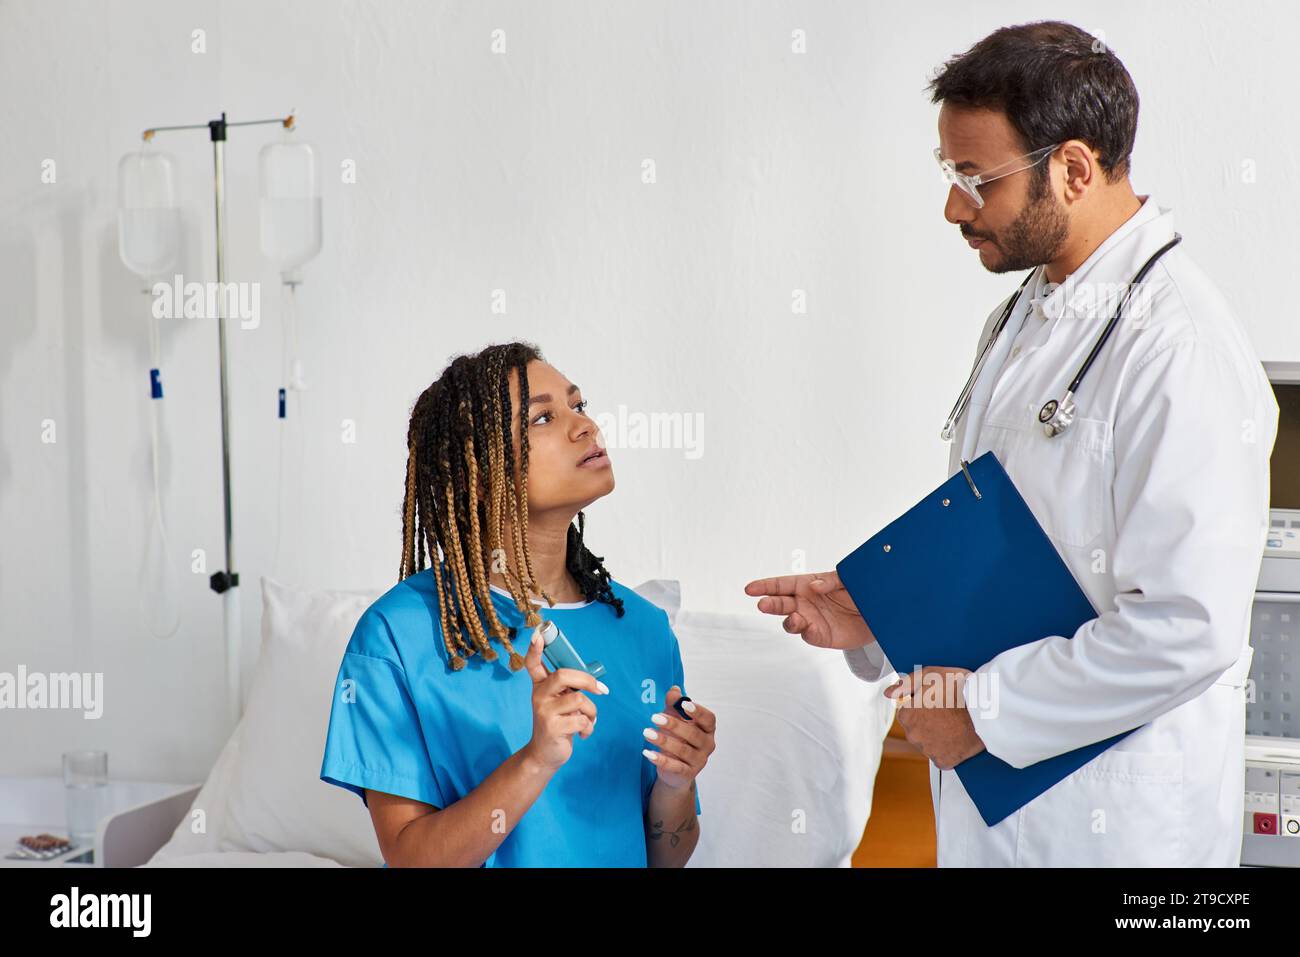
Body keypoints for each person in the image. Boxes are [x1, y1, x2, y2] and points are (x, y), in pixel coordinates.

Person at [746, 21, 1277, 866]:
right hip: (999, 814)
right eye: (948, 173)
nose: (954, 207)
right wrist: (884, 617)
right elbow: (1014, 542)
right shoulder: (1029, 311)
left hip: (1120, 832)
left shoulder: (1180, 349)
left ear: (1072, 169)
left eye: (974, 177)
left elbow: (1186, 628)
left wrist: (985, 708)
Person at [320, 341, 713, 867]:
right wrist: (536, 760)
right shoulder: (398, 634)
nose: (585, 426)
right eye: (544, 418)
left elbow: (665, 858)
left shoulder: (644, 628)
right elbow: (412, 860)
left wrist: (675, 783)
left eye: (579, 405)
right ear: (479, 473)